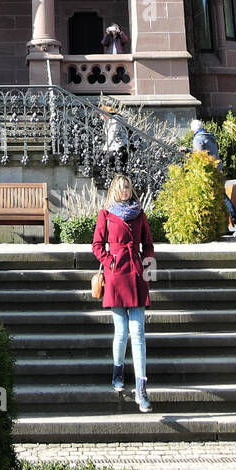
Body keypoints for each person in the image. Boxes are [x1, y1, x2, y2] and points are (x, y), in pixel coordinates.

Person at [91, 173, 155, 412]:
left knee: (138, 332)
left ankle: (141, 388)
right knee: (121, 331)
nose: (125, 191)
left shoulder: (139, 214)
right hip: (116, 275)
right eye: (121, 187)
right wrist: (110, 262)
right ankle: (118, 370)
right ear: (114, 191)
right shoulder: (106, 214)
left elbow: (148, 244)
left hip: (137, 274)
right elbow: (97, 244)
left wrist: (147, 268)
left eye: (127, 187)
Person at [189, 118, 236, 237]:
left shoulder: (198, 138)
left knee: (219, 197)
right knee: (221, 197)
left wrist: (190, 153)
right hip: (218, 170)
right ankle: (227, 225)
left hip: (209, 172)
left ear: (193, 130)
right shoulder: (209, 137)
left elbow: (201, 156)